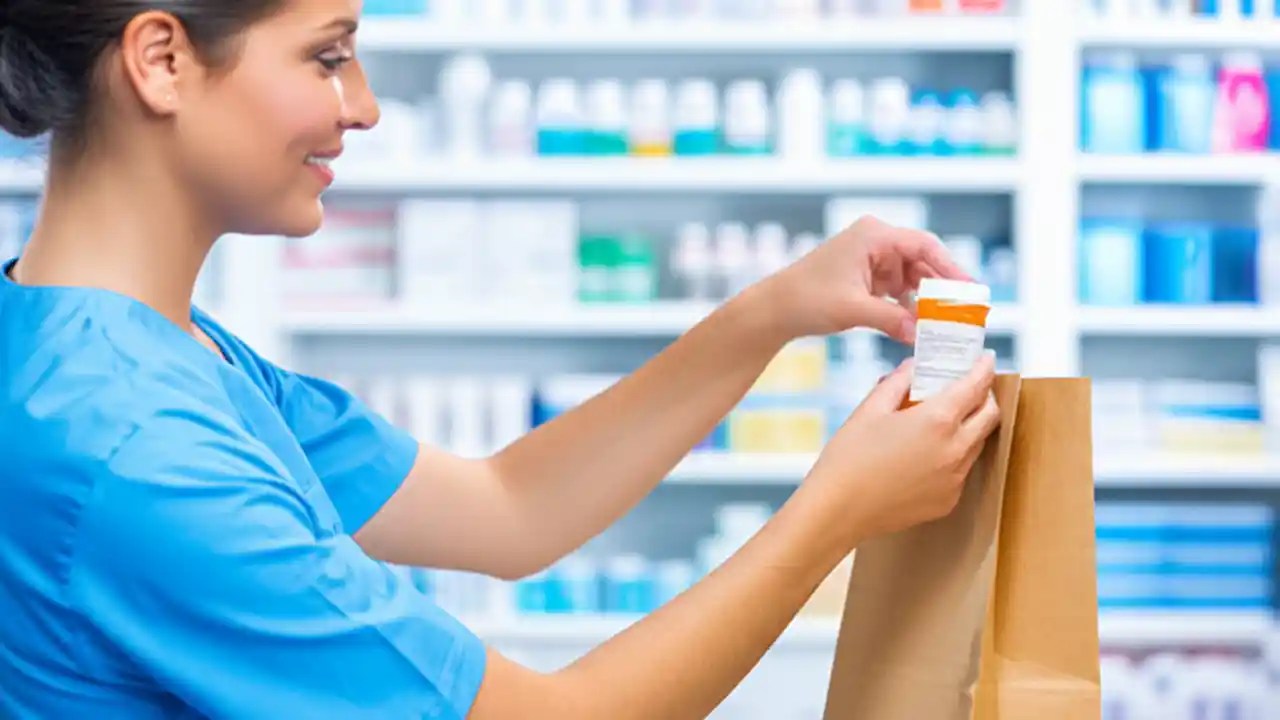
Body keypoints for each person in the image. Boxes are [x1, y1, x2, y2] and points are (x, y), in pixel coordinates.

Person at [0, 1, 1000, 718]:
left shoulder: (145, 355)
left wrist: (770, 312)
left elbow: (506, 511)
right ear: (161, 60)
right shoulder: (131, 447)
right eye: (327, 56)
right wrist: (838, 511)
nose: (364, 106)